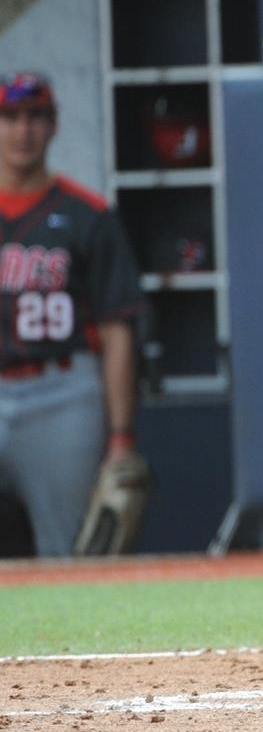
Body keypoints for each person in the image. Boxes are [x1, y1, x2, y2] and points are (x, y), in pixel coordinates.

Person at [0, 72, 146, 558]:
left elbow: (116, 330)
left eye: (36, 117)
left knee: (69, 558)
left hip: (62, 396)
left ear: (54, 125)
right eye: (11, 117)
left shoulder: (88, 215)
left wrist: (121, 435)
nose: (24, 131)